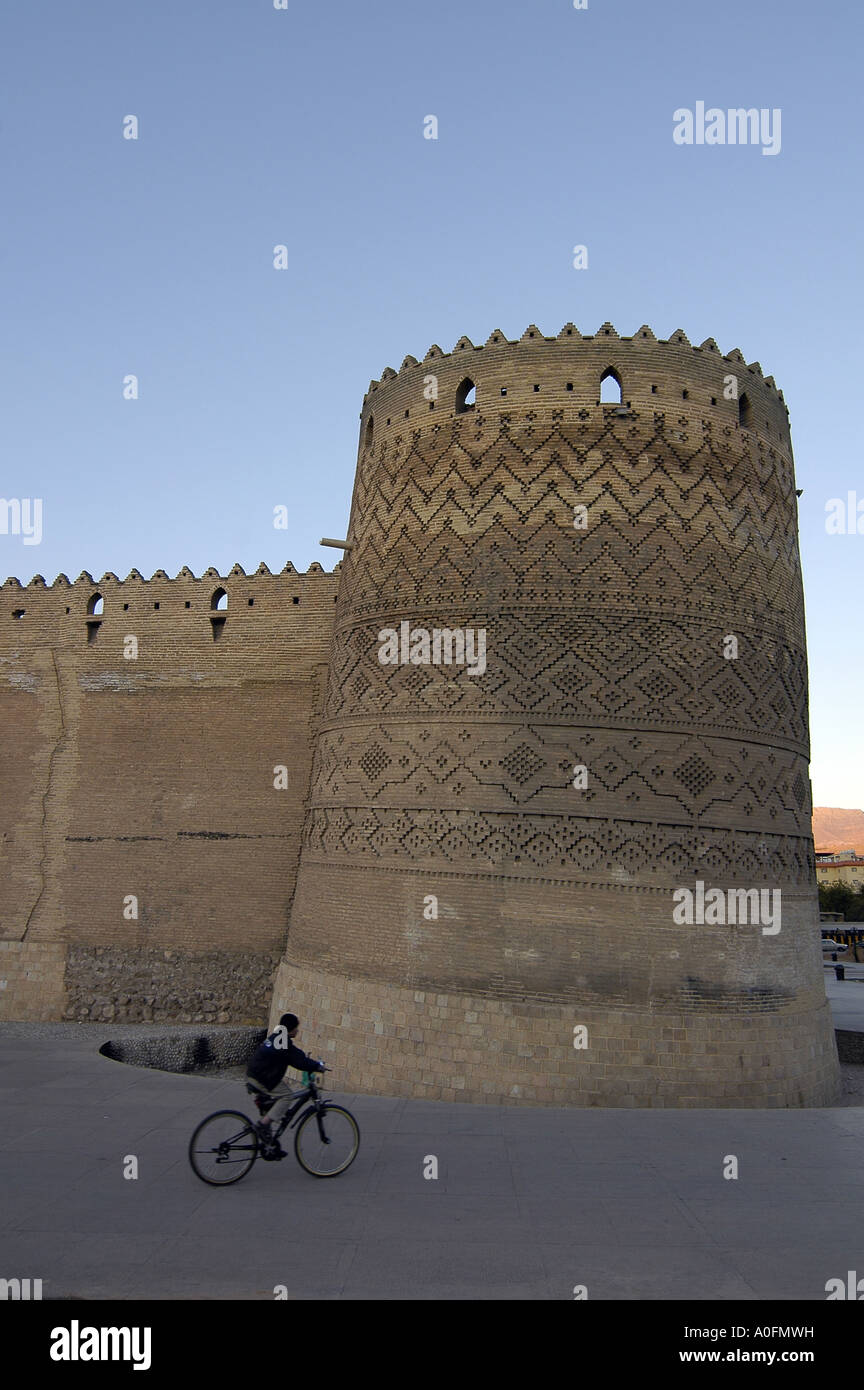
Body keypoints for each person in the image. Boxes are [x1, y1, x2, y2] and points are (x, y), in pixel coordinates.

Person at [245, 1013, 326, 1157]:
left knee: (271, 1102)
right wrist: (317, 1066)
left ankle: (269, 1145)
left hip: (254, 1073)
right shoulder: (284, 1044)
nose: (298, 1031)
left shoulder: (278, 1037)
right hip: (262, 1078)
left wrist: (309, 1062)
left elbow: (296, 1054)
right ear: (291, 1029)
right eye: (296, 1028)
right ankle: (263, 1125)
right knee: (287, 1096)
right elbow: (299, 1061)